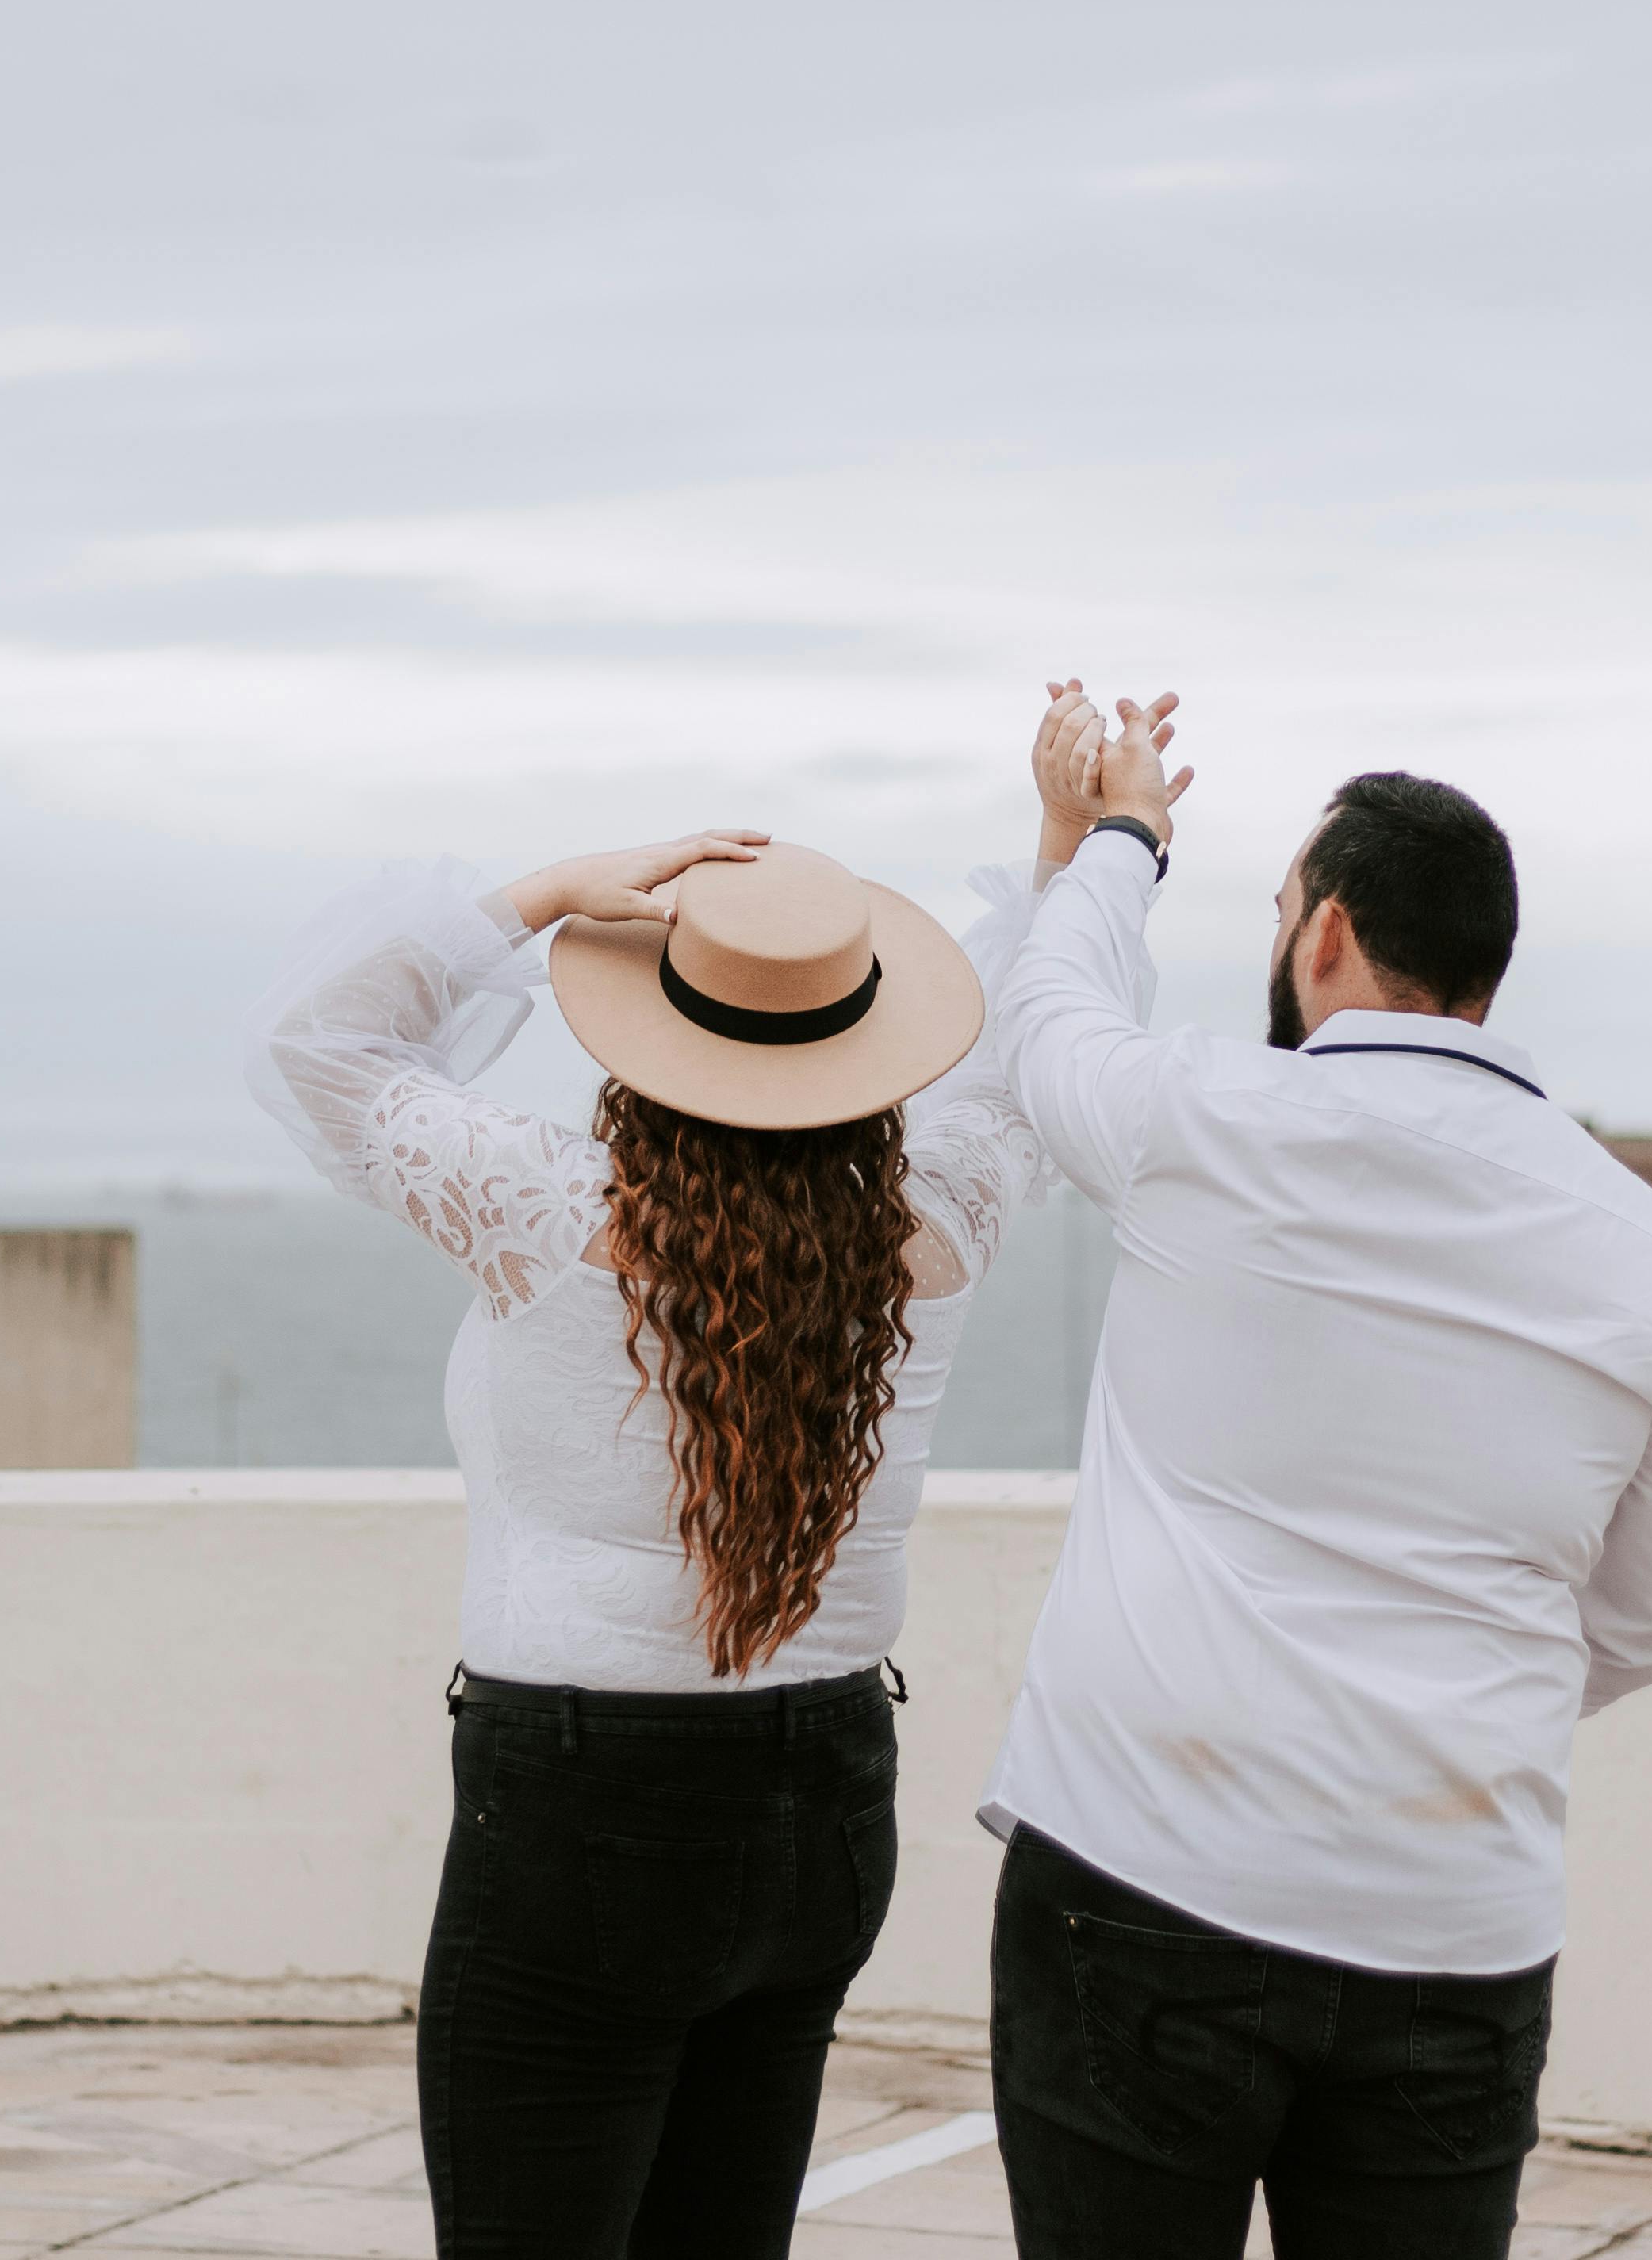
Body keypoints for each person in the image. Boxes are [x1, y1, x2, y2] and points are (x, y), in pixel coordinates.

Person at [247, 809, 1068, 2258]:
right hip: (824, 1801)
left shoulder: (543, 1210)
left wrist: (552, 891)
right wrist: (1068, 856)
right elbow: (1006, 1069)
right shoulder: (930, 1229)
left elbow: (322, 1045)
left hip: (580, 1813)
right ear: (871, 1049)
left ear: (647, 1047)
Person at [979, 688, 1652, 2258]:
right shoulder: (1648, 1259)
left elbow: (1049, 1019)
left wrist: (1119, 835)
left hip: (1141, 1880)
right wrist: (1443, 1684)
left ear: (1323, 935)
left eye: (1276, 916)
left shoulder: (1207, 1118)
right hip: (1453, 1924)